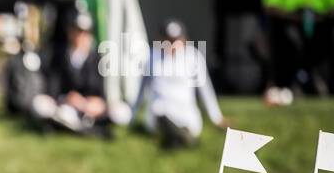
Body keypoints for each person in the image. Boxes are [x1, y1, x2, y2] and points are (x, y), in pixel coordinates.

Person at [133, 19, 226, 149]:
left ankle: (178, 136)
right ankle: (178, 136)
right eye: (168, 41)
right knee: (160, 113)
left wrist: (216, 117)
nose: (172, 45)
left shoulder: (193, 57)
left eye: (175, 40)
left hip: (185, 113)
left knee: (186, 123)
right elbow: (141, 88)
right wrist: (132, 115)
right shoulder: (152, 57)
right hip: (160, 111)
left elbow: (205, 89)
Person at [29, 14, 118, 137]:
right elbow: (53, 86)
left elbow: (99, 92)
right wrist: (66, 99)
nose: (81, 36)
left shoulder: (96, 59)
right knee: (40, 104)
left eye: (85, 33)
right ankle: (83, 128)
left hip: (87, 107)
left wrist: (85, 103)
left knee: (120, 112)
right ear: (71, 32)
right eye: (78, 31)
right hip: (64, 104)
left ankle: (75, 126)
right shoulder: (59, 55)